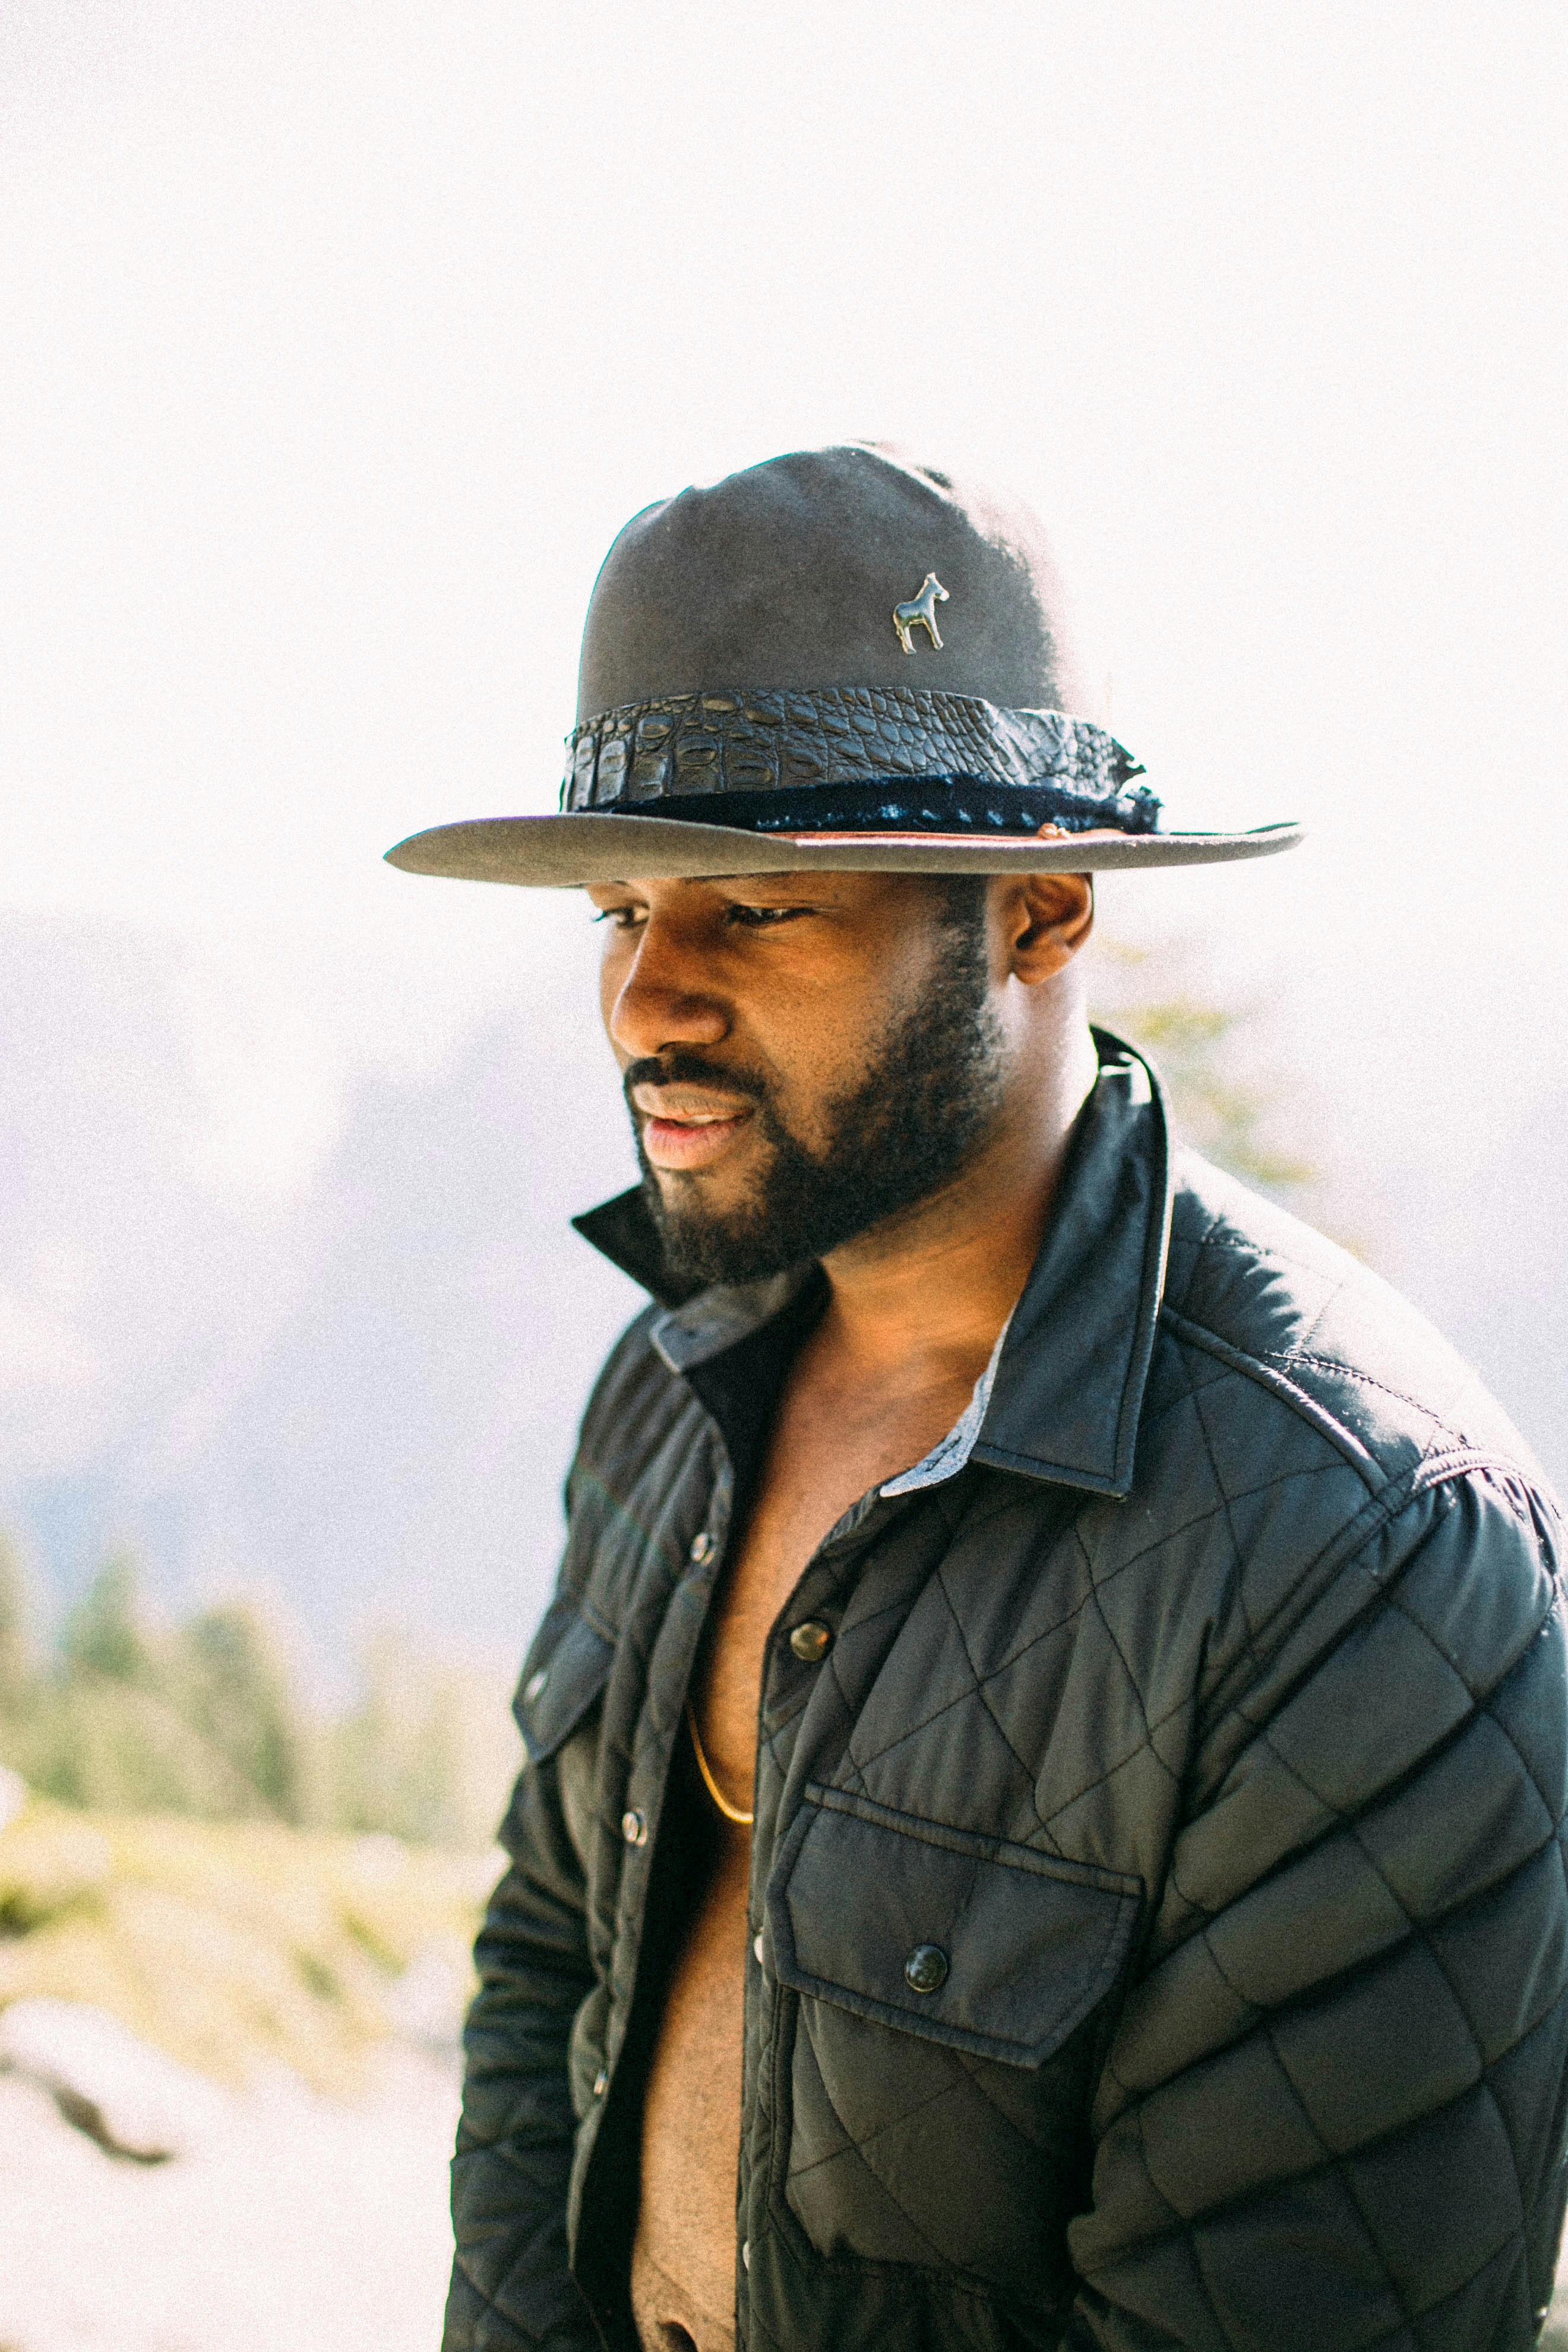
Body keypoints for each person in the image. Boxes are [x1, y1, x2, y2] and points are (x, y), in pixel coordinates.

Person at [387, 444, 1568, 2352]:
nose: (644, 1001)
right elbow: (552, 1973)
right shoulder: (680, 1373)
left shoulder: (1363, 1540)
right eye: (619, 907)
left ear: (1040, 909)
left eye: (755, 913)